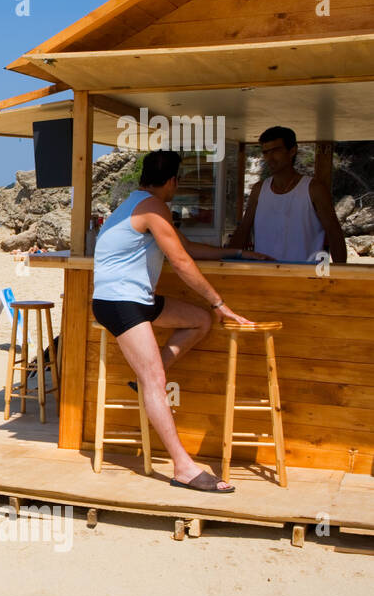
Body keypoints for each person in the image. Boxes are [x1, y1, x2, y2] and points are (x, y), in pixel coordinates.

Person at [92, 150, 271, 494]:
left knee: (199, 321)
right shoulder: (152, 206)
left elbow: (185, 247)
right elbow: (182, 262)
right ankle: (184, 467)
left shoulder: (136, 203)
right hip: (119, 303)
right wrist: (220, 303)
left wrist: (236, 253)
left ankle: (149, 382)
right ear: (172, 181)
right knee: (156, 379)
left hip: (135, 301)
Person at [227, 125, 347, 263]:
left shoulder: (314, 189)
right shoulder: (259, 190)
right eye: (265, 152)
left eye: (275, 151)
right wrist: (226, 263)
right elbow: (244, 229)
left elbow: (334, 233)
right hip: (264, 275)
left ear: (292, 151)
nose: (269, 158)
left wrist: (340, 272)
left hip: (306, 277)